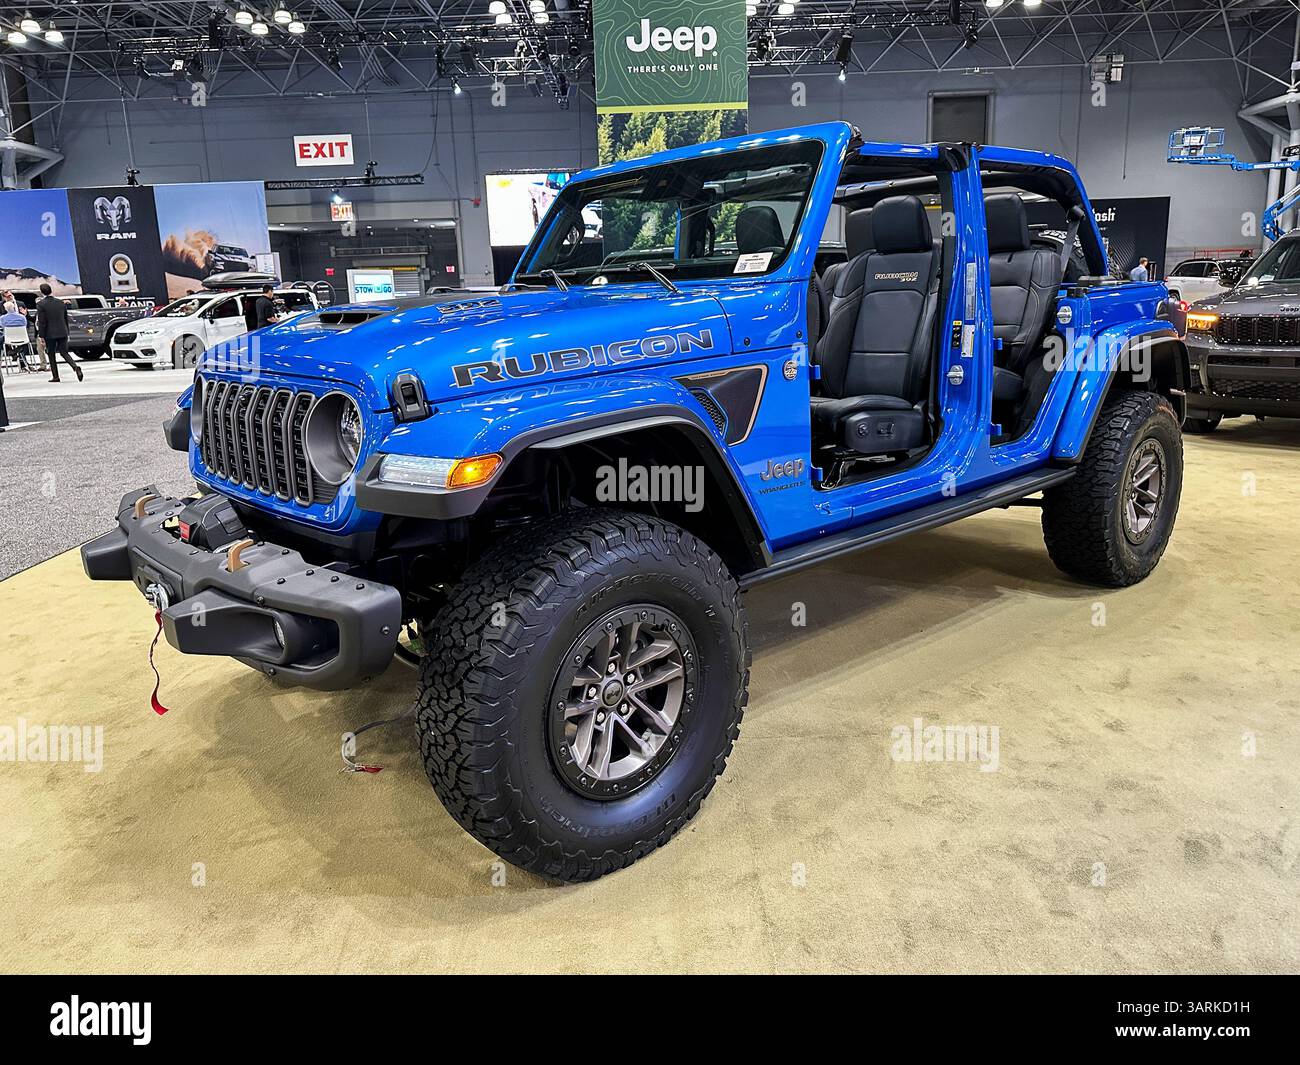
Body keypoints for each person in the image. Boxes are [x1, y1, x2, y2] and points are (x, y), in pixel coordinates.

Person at [36, 283, 82, 382]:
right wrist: (67, 331)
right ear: (51, 290)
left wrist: (41, 335)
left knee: (51, 354)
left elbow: (42, 322)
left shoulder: (41, 304)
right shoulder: (60, 303)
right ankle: (75, 367)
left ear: (41, 292)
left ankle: (55, 376)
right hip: (63, 331)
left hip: (49, 334)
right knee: (64, 353)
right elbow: (65, 318)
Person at [1, 300, 33, 372]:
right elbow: (25, 325)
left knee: (2, 340)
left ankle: (13, 352)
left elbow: (2, 326)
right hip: (23, 338)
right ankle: (17, 351)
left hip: (9, 339)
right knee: (25, 344)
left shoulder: (3, 318)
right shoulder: (22, 317)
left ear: (5, 309)